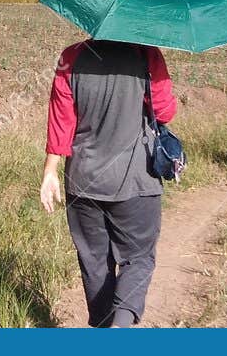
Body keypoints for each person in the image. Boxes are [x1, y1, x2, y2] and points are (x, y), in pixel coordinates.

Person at [40, 39, 176, 328]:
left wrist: (49, 171)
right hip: (137, 181)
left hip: (82, 180)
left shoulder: (71, 56)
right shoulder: (147, 54)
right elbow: (165, 112)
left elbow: (61, 120)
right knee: (137, 258)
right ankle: (121, 326)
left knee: (94, 262)